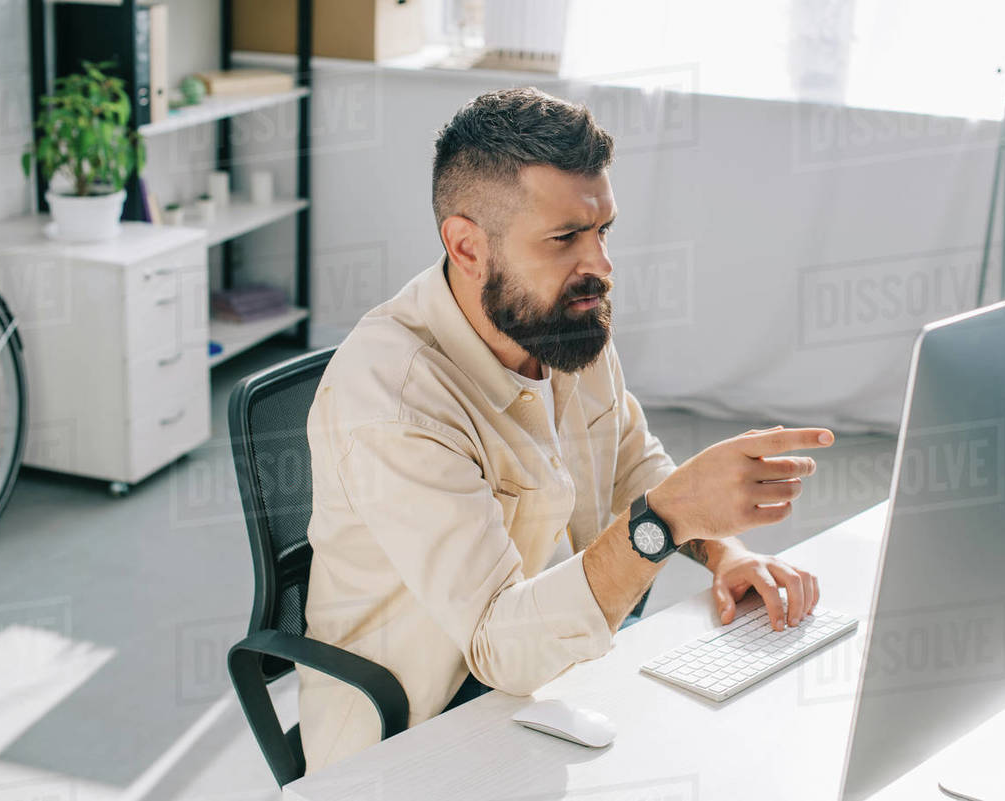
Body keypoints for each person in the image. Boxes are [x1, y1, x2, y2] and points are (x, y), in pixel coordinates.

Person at [297, 86, 835, 773]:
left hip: (539, 693)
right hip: (410, 746)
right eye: (564, 239)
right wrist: (666, 519)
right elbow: (499, 642)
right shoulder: (394, 400)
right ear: (467, 246)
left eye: (602, 230)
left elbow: (632, 466)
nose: (601, 267)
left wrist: (724, 552)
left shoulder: (562, 321)